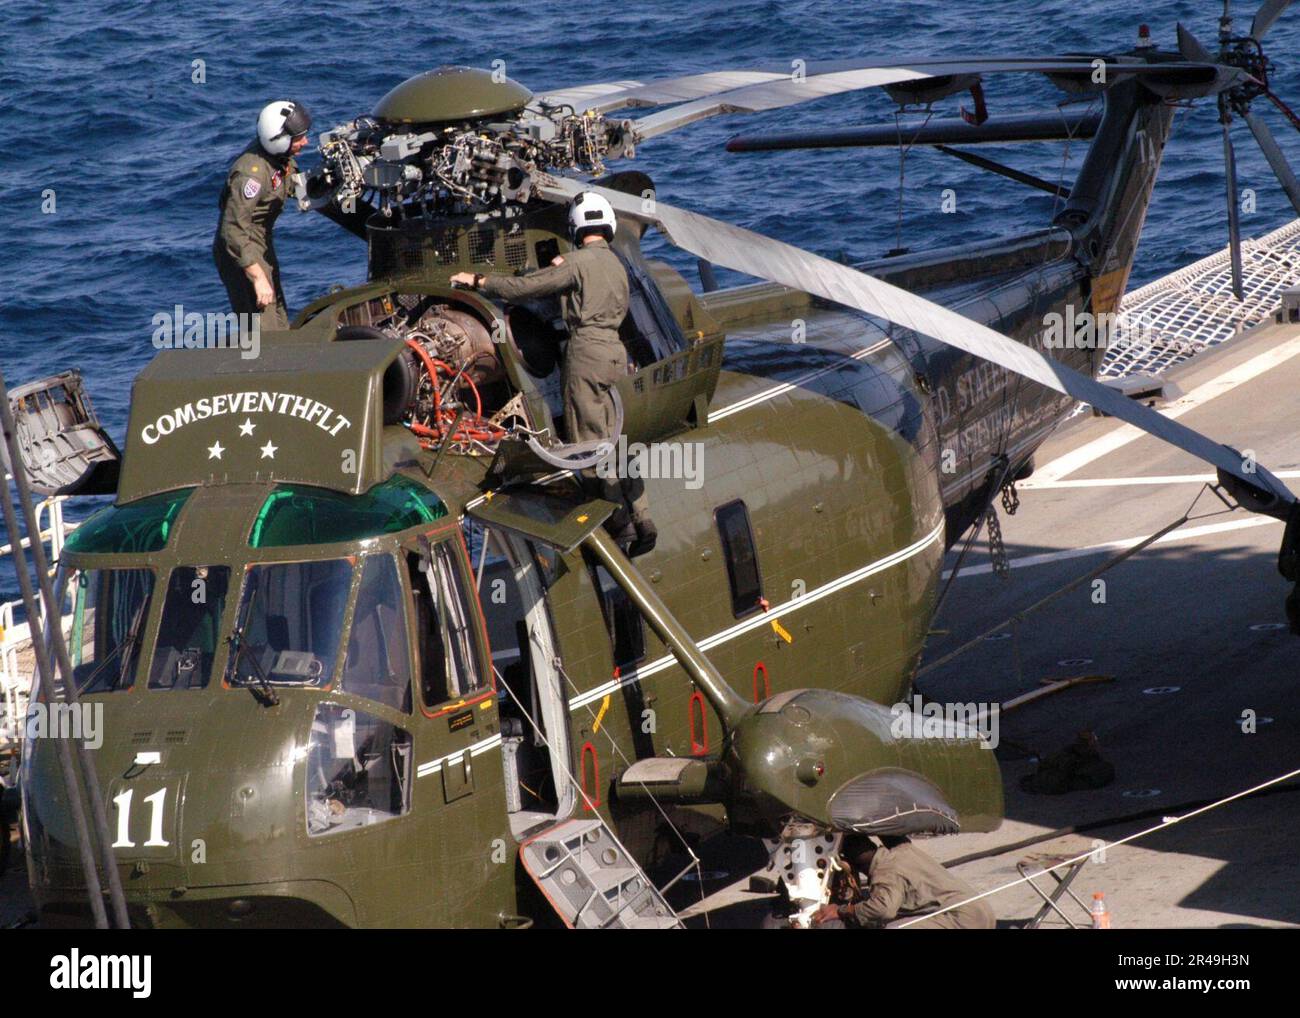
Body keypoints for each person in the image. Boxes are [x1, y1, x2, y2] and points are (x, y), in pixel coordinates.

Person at [451, 192, 656, 555]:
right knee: (614, 436)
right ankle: (642, 516)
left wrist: (480, 281)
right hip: (614, 353)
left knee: (587, 443)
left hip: (587, 354)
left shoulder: (577, 263)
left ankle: (617, 523)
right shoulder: (616, 265)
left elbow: (526, 287)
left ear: (576, 228)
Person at [213, 100, 312, 332]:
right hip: (242, 250)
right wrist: (256, 276)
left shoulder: (277, 158)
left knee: (278, 315)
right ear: (278, 141)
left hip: (260, 242)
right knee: (264, 327)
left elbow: (288, 182)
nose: (305, 142)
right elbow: (233, 231)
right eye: (299, 139)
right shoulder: (251, 176)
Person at [812, 835, 997, 929]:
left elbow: (883, 909)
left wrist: (841, 911)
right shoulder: (903, 849)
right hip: (982, 911)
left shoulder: (885, 872)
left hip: (964, 920)